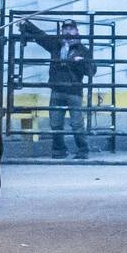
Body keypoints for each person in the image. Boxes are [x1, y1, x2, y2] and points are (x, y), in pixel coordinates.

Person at [20, 17, 93, 159]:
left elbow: (91, 70)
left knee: (76, 123)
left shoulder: (83, 51)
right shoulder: (56, 45)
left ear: (76, 31)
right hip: (58, 90)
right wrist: (27, 24)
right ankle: (59, 150)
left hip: (73, 91)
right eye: (65, 28)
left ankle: (83, 150)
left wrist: (80, 63)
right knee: (55, 123)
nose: (68, 31)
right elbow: (41, 36)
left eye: (71, 28)